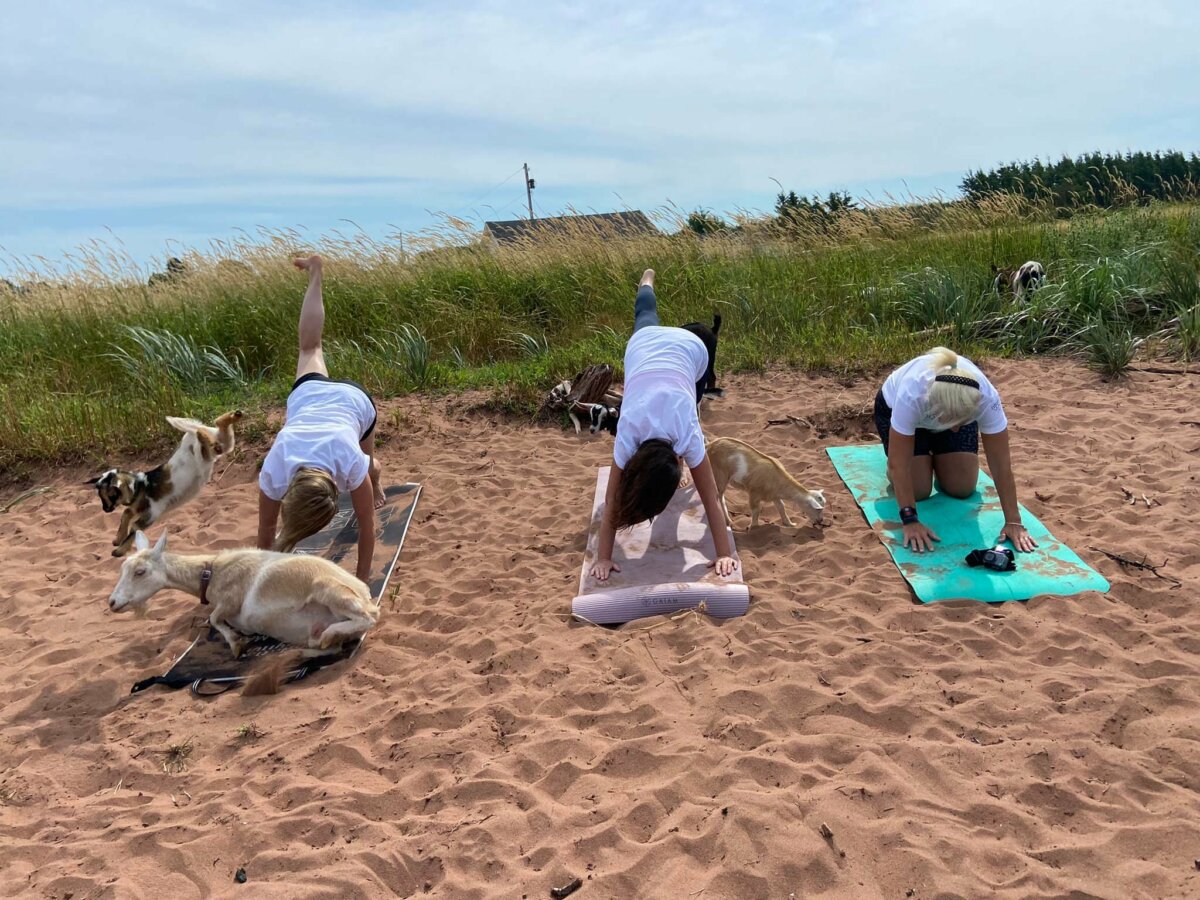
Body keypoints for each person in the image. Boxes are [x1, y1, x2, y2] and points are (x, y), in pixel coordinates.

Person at [590, 269, 739, 581]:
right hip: (646, 346)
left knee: (692, 397)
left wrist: (724, 553)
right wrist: (603, 558)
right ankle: (646, 282)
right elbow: (611, 503)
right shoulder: (629, 434)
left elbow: (709, 497)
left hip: (690, 351)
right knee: (644, 311)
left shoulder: (687, 432)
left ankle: (647, 284)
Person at [256, 255, 386, 583]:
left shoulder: (349, 462)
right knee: (309, 347)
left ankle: (379, 478)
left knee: (369, 467)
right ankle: (315, 270)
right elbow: (267, 533)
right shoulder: (274, 470)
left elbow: (367, 528)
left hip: (354, 405)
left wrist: (360, 584)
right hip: (311, 399)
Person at [874, 346, 1036, 555]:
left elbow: (1001, 463)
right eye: (953, 422)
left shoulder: (985, 398)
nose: (956, 429)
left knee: (961, 487)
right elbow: (900, 464)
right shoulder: (911, 394)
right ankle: (912, 465)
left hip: (954, 411)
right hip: (898, 410)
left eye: (964, 421)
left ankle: (933, 457)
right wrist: (910, 520)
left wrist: (1014, 521)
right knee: (918, 490)